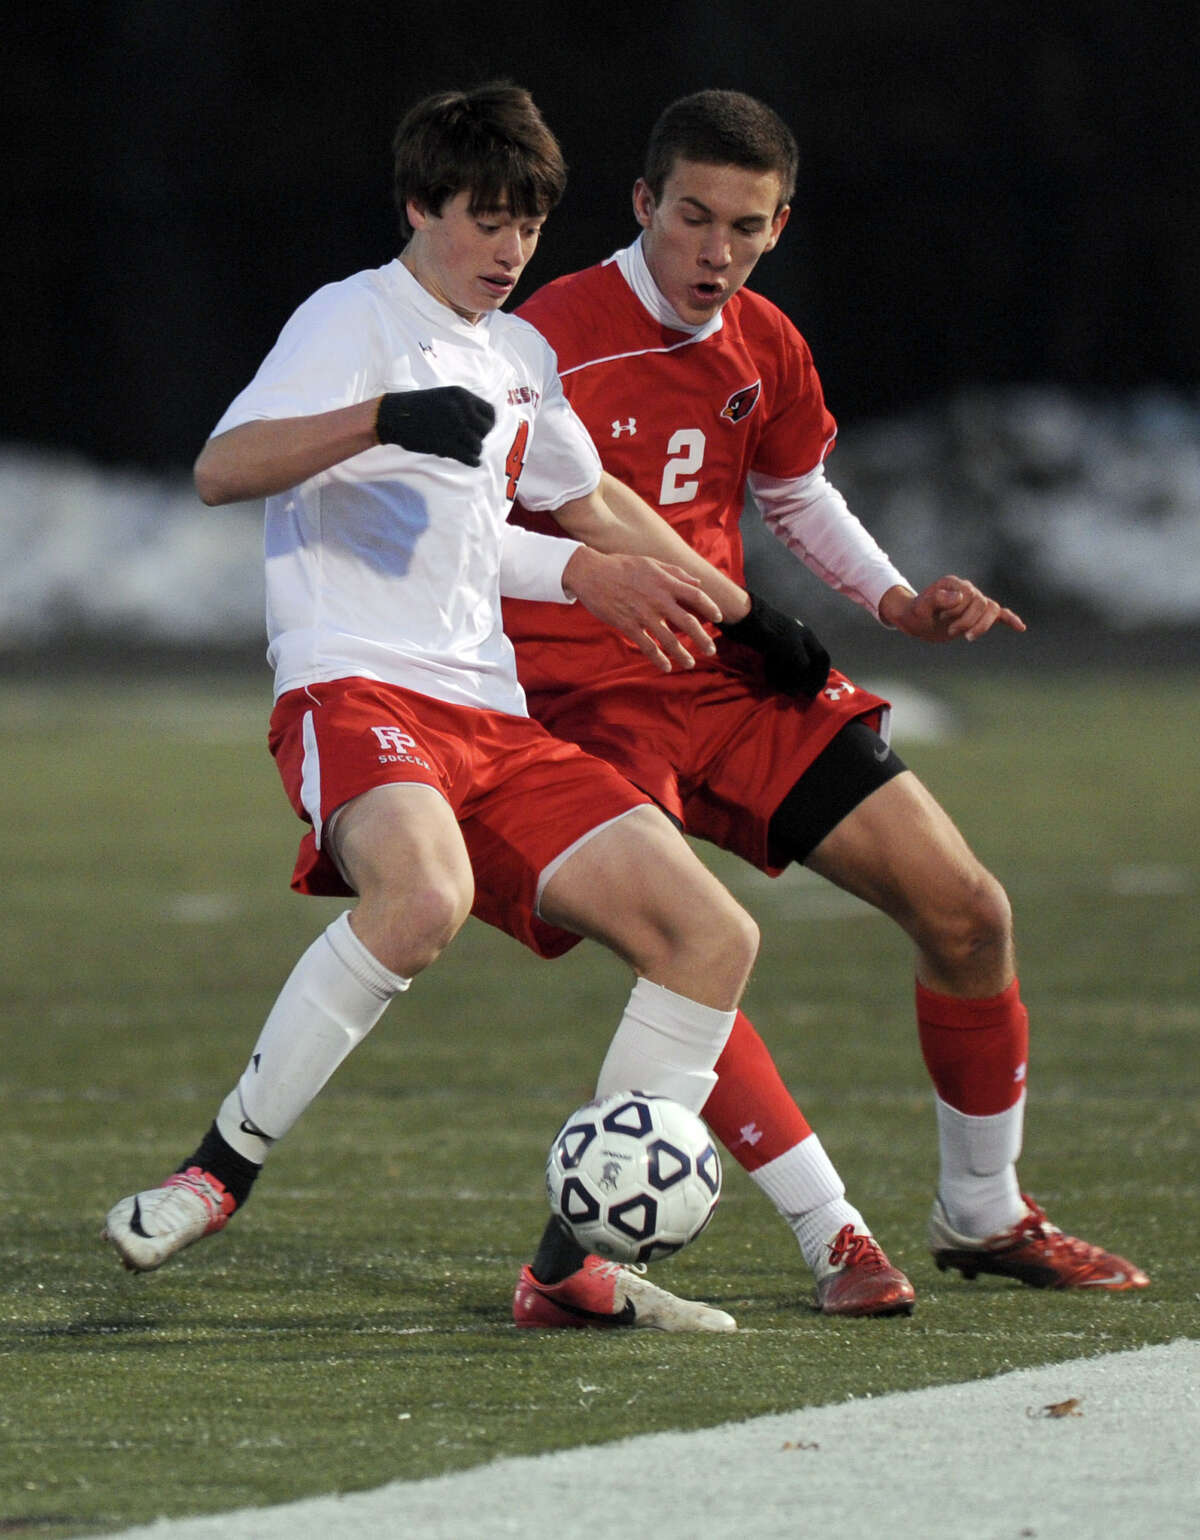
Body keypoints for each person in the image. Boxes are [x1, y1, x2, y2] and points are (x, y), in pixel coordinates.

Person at [98, 82, 850, 1334]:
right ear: (418, 206)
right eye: (485, 220)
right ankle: (214, 1173)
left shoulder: (517, 358)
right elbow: (223, 468)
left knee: (709, 936)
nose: (509, 250)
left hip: (490, 716)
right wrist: (382, 415)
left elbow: (583, 504)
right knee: (422, 897)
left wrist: (738, 611)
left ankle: (571, 1265)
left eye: (530, 226)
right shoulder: (352, 318)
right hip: (354, 684)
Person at [504, 88, 1149, 1306]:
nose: (717, 250)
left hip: (730, 673)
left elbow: (794, 492)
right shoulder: (545, 341)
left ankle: (986, 1212)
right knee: (691, 952)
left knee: (968, 911)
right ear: (642, 204)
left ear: (780, 226)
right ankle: (833, 1234)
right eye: (693, 217)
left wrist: (898, 601)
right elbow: (479, 530)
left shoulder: (766, 341)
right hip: (581, 699)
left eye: (745, 227)